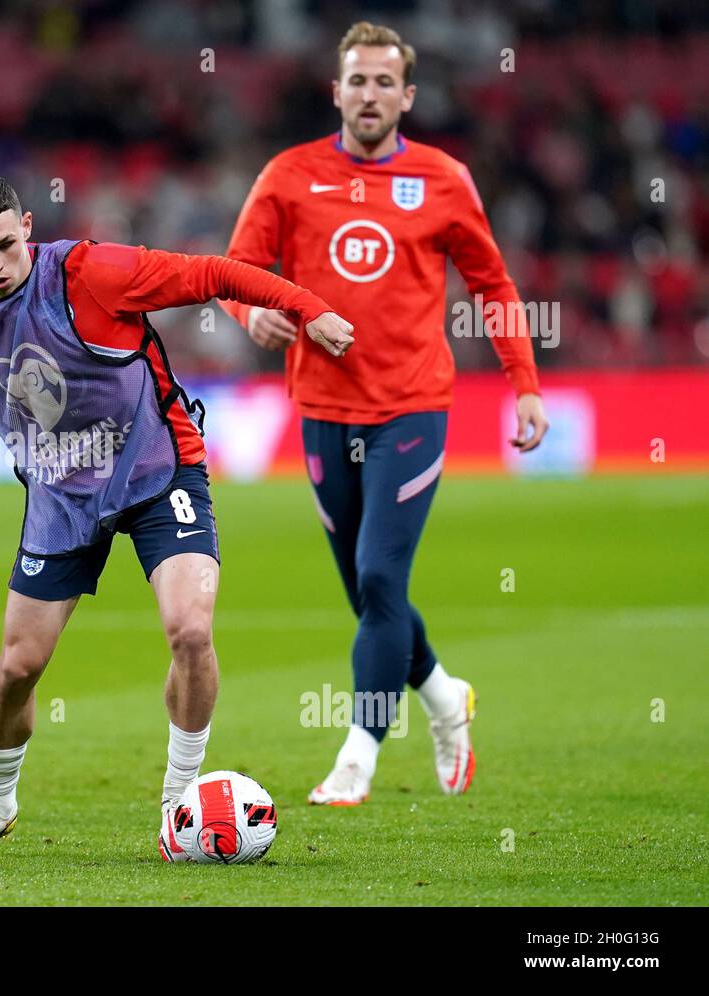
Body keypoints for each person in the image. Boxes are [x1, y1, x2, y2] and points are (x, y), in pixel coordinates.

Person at [0, 173, 354, 859]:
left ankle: (176, 802)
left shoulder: (96, 271)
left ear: (28, 229)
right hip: (61, 496)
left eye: (5, 246)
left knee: (190, 629)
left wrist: (311, 309)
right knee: (17, 668)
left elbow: (214, 272)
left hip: (159, 472)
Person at [220, 21, 549, 806]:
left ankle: (359, 752)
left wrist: (526, 383)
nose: (369, 94)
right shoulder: (290, 175)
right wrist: (246, 316)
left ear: (407, 95)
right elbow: (232, 272)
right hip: (323, 408)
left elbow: (493, 287)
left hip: (411, 406)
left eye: (383, 82)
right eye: (356, 81)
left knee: (377, 575)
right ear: (336, 92)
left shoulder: (444, 180)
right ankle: (443, 696)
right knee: (373, 596)